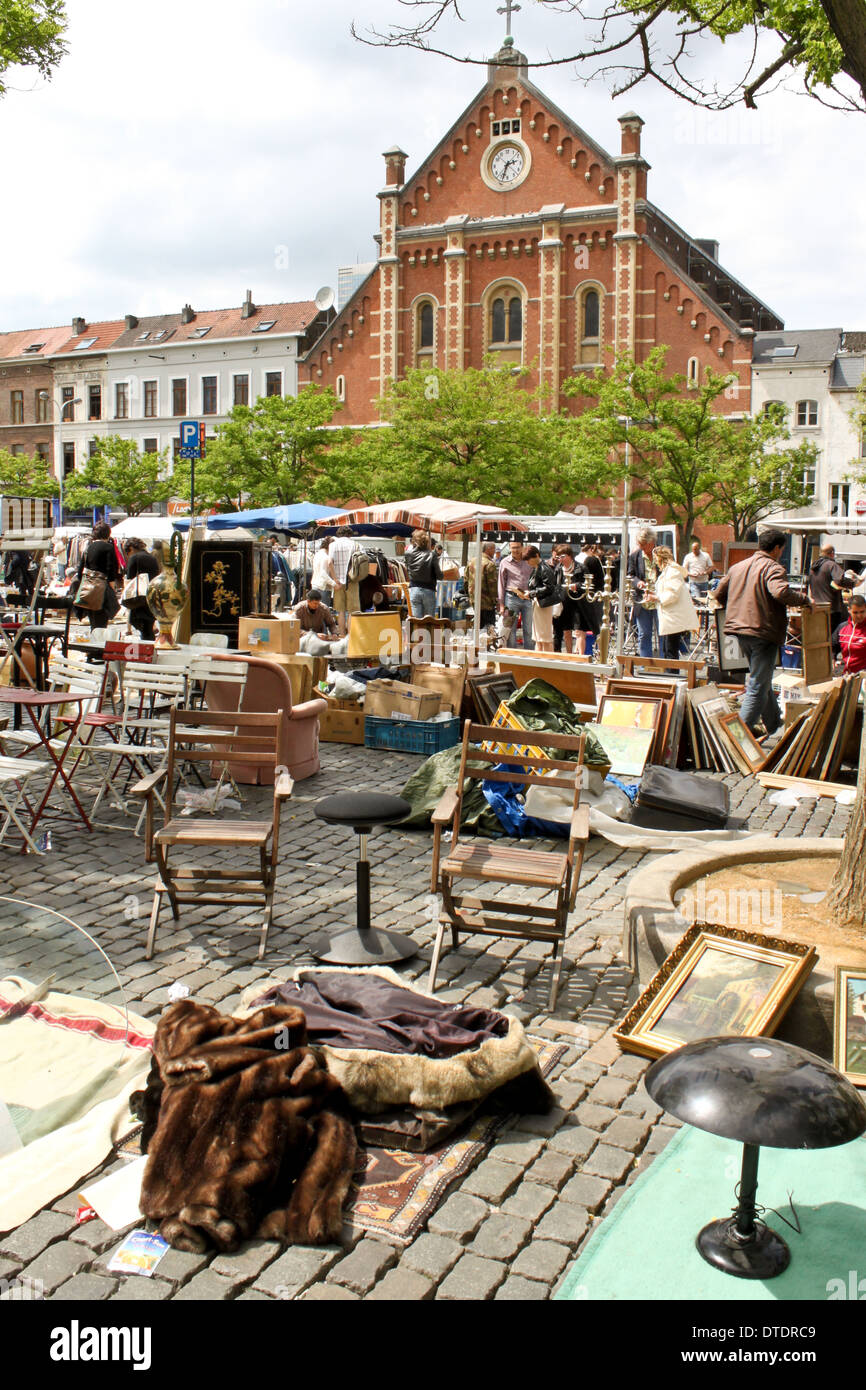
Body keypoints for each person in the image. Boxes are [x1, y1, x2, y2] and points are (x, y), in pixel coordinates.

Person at [713, 527, 810, 737]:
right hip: (763, 632)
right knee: (757, 684)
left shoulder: (738, 567)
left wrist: (734, 608)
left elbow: (719, 593)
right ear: (776, 548)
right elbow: (780, 591)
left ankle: (774, 723)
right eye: (782, 549)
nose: (782, 552)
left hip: (739, 630)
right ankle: (738, 737)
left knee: (761, 678)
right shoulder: (773, 568)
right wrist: (804, 600)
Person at [647, 545, 698, 660]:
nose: (655, 562)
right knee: (666, 650)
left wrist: (656, 597)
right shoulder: (669, 571)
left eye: (656, 559)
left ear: (660, 558)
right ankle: (669, 675)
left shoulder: (672, 571)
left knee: (670, 651)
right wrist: (654, 594)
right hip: (670, 618)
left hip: (673, 619)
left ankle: (672, 675)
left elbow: (672, 595)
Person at [74, 521, 121, 631]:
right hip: (102, 589)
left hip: (88, 589)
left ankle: (93, 641)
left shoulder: (89, 548)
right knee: (101, 623)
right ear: (108, 533)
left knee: (93, 622)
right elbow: (111, 570)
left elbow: (81, 570)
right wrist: (112, 588)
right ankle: (99, 645)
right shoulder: (108, 547)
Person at [808, 544, 854, 635]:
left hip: (816, 608)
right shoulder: (831, 565)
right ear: (832, 553)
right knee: (832, 636)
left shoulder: (813, 567)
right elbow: (839, 580)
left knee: (820, 636)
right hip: (831, 609)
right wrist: (853, 583)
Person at [521, 545, 559, 653]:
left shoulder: (544, 568)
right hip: (538, 603)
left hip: (544, 604)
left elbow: (549, 588)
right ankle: (539, 658)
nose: (528, 562)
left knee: (544, 636)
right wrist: (528, 594)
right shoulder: (537, 568)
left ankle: (546, 659)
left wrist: (532, 593)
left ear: (536, 555)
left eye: (529, 559)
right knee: (538, 636)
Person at [627, 528, 658, 658]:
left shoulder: (663, 553)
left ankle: (664, 665)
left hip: (659, 599)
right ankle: (644, 664)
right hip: (642, 599)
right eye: (640, 545)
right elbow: (630, 575)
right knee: (644, 633)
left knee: (663, 634)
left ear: (651, 542)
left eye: (643, 545)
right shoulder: (635, 556)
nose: (641, 547)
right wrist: (637, 582)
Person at [498, 538, 534, 650]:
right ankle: (512, 655)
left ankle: (529, 656)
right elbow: (501, 584)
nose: (515, 550)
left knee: (529, 629)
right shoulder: (504, 562)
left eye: (518, 547)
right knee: (510, 629)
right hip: (511, 598)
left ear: (522, 547)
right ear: (509, 548)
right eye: (513, 547)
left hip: (528, 598)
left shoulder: (529, 561)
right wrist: (501, 605)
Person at [123, 537, 161, 641]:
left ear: (131, 548)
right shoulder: (152, 558)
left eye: (127, 552)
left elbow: (130, 578)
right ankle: (150, 649)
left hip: (139, 598)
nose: (128, 555)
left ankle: (147, 652)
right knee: (148, 627)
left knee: (143, 627)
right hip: (151, 596)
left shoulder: (134, 558)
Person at [328, 525, 359, 636]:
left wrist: (335, 578)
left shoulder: (332, 545)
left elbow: (330, 562)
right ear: (349, 535)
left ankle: (342, 635)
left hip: (338, 582)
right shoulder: (356, 544)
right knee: (352, 611)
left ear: (338, 534)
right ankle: (350, 636)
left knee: (340, 611)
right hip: (352, 580)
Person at [405, 530, 442, 618]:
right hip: (429, 590)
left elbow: (408, 570)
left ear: (414, 541)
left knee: (417, 622)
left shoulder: (408, 554)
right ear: (427, 542)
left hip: (414, 589)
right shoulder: (432, 555)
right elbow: (439, 576)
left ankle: (417, 632)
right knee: (429, 622)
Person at [553, 544, 581, 652]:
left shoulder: (580, 567)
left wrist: (576, 586)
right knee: (559, 632)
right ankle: (557, 655)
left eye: (562, 556)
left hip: (576, 604)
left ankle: (571, 655)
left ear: (570, 556)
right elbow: (555, 584)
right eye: (558, 557)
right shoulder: (558, 568)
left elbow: (586, 584)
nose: (560, 559)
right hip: (561, 603)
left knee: (574, 631)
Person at [464, 542, 498, 630]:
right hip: (486, 602)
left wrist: (468, 595)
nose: (495, 551)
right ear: (488, 549)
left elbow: (466, 580)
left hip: (474, 599)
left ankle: (477, 642)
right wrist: (495, 600)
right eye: (493, 549)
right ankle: (487, 642)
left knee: (477, 626)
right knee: (489, 627)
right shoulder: (489, 564)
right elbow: (492, 586)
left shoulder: (471, 562)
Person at [835, 594, 866, 674]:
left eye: (862, 612)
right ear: (849, 610)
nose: (859, 616)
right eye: (855, 612)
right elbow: (832, 647)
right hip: (846, 675)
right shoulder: (842, 628)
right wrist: (833, 660)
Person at [683, 538, 715, 603]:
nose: (694, 551)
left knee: (704, 601)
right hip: (693, 582)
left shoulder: (705, 555)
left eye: (696, 549)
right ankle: (696, 612)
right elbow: (684, 569)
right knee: (697, 599)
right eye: (693, 550)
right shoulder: (688, 557)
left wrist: (705, 572)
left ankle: (703, 612)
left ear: (699, 548)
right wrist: (690, 574)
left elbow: (712, 567)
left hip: (704, 581)